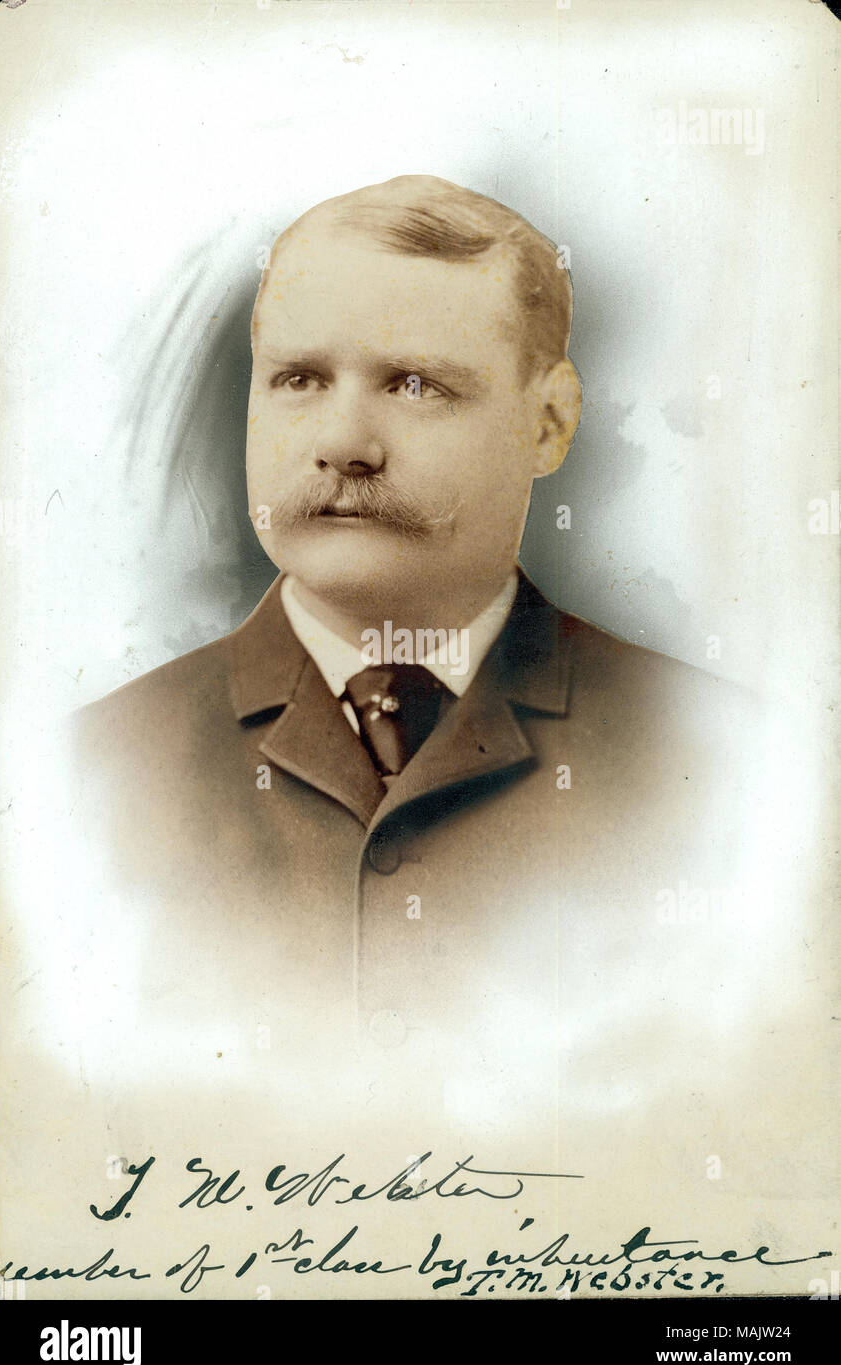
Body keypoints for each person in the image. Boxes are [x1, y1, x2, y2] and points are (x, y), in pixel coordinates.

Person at [69, 175, 760, 1124]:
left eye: (414, 384)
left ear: (548, 423)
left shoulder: (732, 764)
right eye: (300, 379)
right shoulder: (81, 780)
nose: (344, 443)